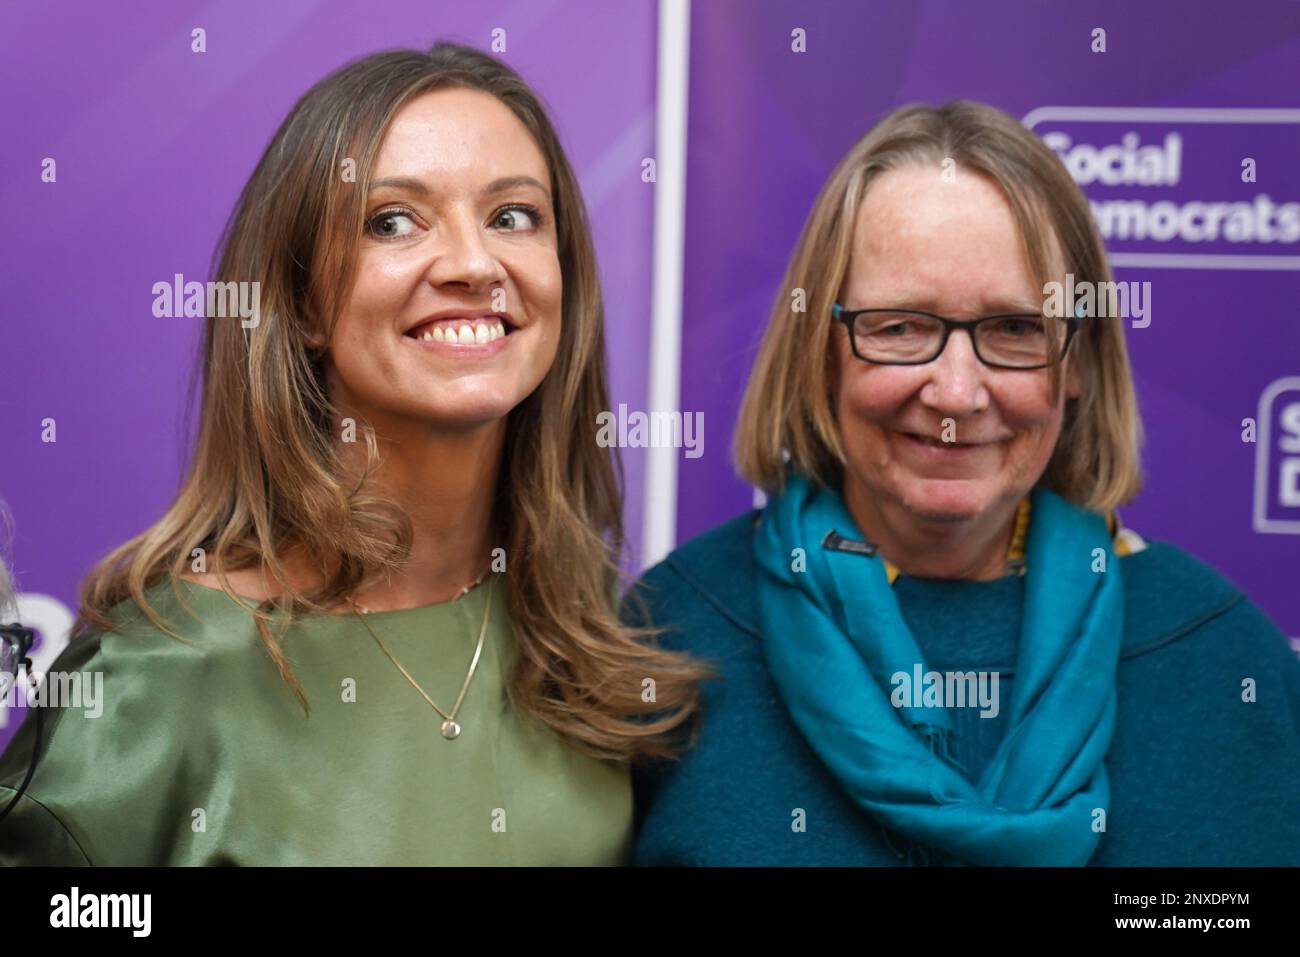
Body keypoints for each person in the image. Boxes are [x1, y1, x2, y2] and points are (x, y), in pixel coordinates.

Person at [0, 42, 707, 865]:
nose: (476, 264)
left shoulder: (586, 651)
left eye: (513, 216)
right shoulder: (157, 674)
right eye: (393, 221)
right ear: (300, 301)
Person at [626, 100, 1300, 866]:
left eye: (1014, 329)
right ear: (820, 348)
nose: (955, 393)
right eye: (900, 325)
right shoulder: (670, 635)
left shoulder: (1222, 658)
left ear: (1076, 362)